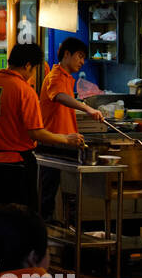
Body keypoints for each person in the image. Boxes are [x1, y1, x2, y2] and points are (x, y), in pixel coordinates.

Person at [0, 43, 84, 220]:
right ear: (28, 65)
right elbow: (36, 133)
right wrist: (66, 139)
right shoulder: (24, 90)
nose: (32, 75)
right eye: (33, 69)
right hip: (18, 166)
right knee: (21, 221)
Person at [39, 38, 105, 221]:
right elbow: (58, 96)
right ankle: (44, 231)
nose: (82, 62)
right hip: (52, 143)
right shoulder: (56, 76)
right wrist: (87, 108)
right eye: (80, 56)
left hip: (65, 144)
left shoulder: (67, 78)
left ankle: (64, 227)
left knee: (65, 191)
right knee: (48, 192)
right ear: (67, 54)